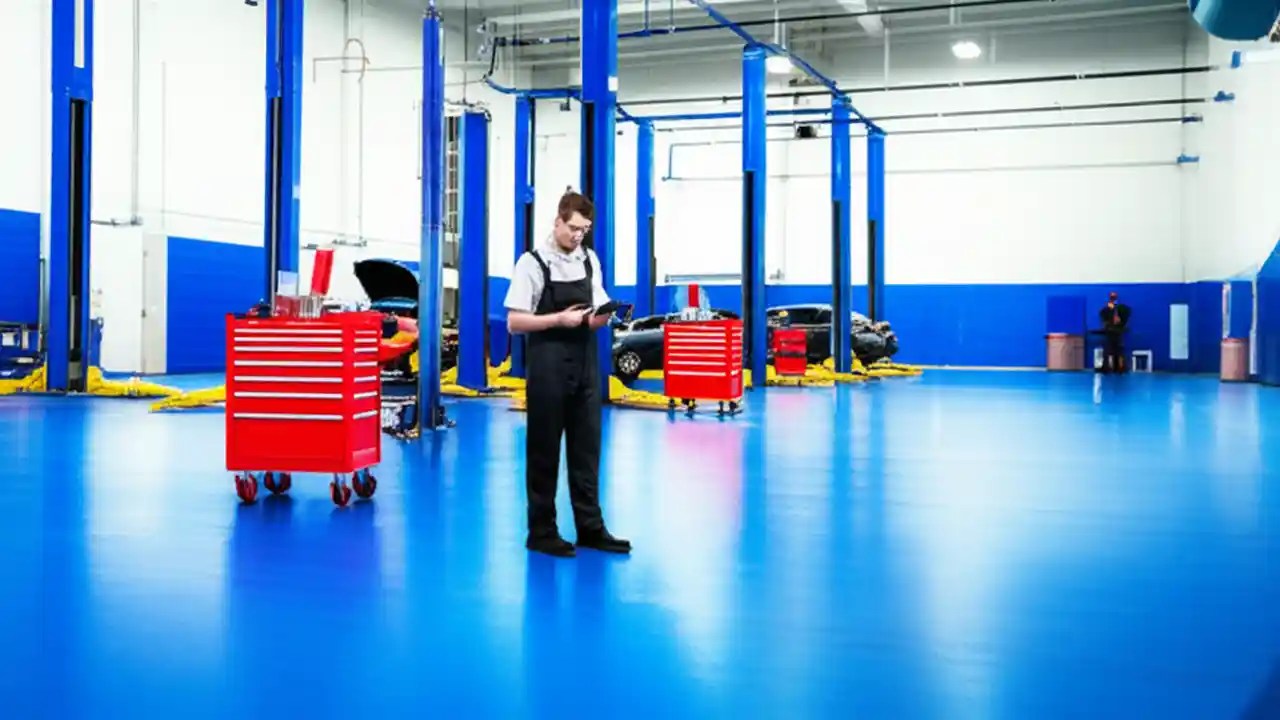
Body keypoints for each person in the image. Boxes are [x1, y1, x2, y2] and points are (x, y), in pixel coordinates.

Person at [504, 191, 631, 558]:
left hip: (586, 366)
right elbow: (514, 321)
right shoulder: (532, 263)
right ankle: (541, 531)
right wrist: (558, 319)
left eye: (585, 229)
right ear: (557, 221)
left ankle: (591, 528)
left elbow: (592, 315)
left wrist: (602, 317)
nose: (578, 236)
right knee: (543, 451)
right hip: (547, 367)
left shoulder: (589, 260)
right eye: (573, 228)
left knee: (586, 450)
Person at [1098, 291, 1131, 374]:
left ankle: (1119, 367)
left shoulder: (1121, 309)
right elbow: (1103, 316)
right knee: (1108, 351)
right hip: (1110, 332)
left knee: (1119, 351)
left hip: (1117, 332)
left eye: (1114, 297)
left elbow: (1126, 313)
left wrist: (1120, 320)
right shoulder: (1106, 310)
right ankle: (1106, 368)